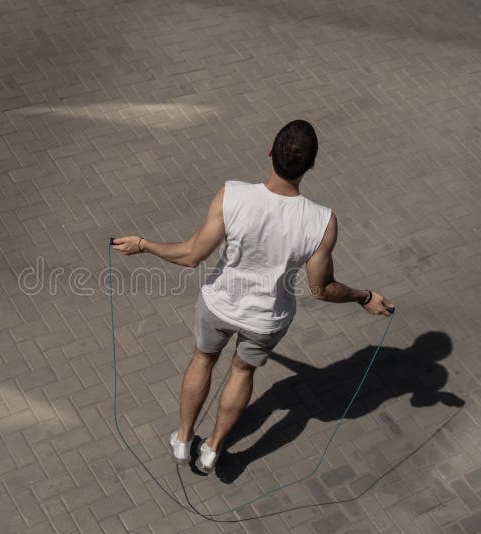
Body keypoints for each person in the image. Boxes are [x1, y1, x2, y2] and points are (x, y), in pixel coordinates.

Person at [112, 120, 394, 474]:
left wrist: (145, 245)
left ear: (269, 152)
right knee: (242, 372)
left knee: (203, 360)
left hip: (219, 305)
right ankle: (213, 449)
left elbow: (191, 255)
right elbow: (321, 289)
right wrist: (362, 296)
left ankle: (183, 440)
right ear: (311, 165)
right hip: (267, 320)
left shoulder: (233, 194)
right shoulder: (322, 222)